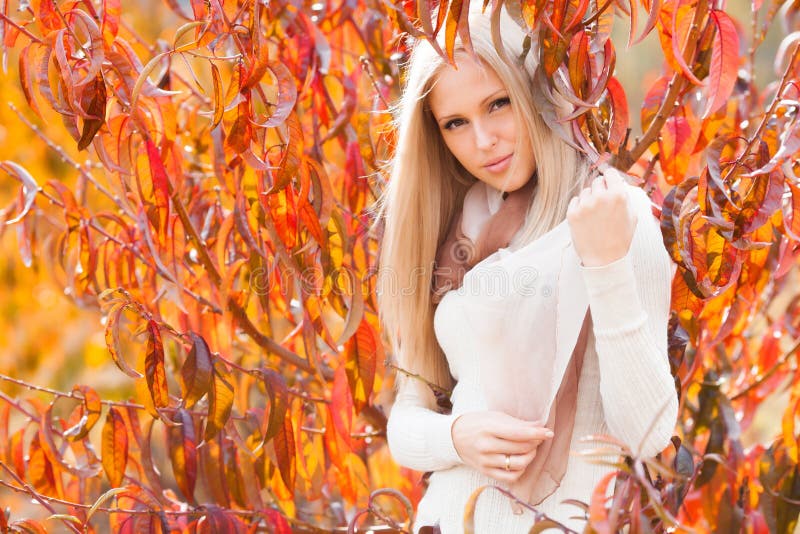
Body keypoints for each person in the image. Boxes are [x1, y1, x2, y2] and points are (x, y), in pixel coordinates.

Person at [375, 6, 678, 532]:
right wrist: (456, 436)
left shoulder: (613, 213)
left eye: (498, 104)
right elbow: (405, 420)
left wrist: (604, 265)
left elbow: (647, 432)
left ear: (534, 93)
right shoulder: (458, 232)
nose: (483, 140)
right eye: (456, 123)